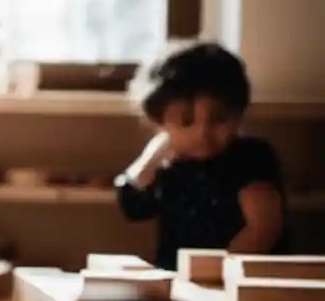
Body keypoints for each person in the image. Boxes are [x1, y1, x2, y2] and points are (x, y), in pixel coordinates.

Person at [117, 41, 288, 269]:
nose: (203, 133)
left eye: (219, 119)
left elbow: (263, 229)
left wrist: (214, 274)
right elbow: (132, 206)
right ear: (161, 122)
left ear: (238, 114)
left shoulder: (250, 158)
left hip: (241, 278)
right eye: (186, 122)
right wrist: (151, 158)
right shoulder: (170, 164)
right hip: (180, 281)